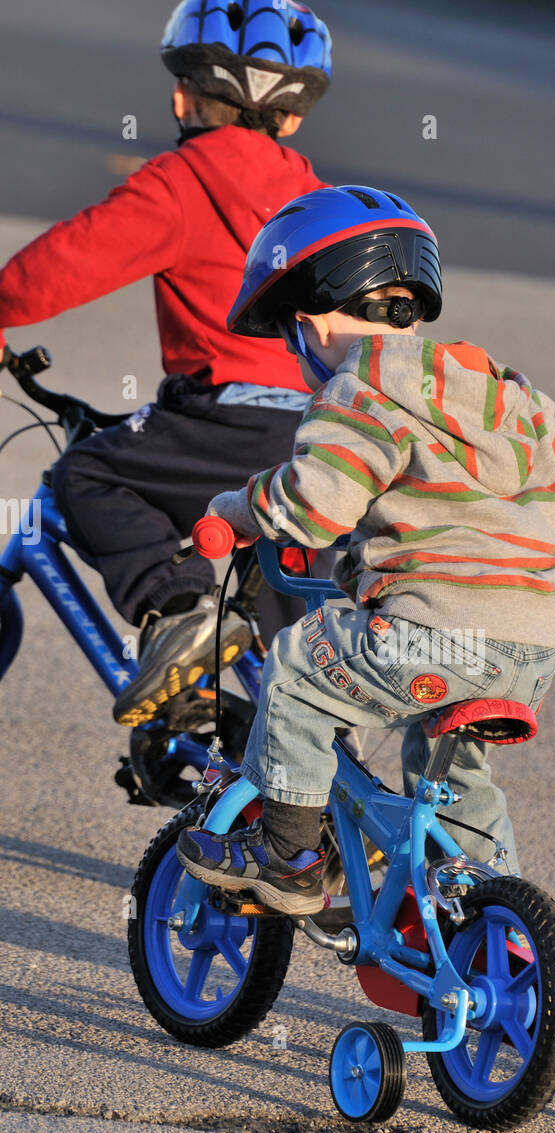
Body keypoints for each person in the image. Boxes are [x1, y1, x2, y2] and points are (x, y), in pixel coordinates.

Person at [178, 185, 555, 913]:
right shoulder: (508, 393)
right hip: (531, 649)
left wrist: (238, 513)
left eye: (286, 332)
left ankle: (287, 857)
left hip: (429, 633)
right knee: (452, 774)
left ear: (307, 322)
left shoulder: (361, 387)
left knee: (300, 666)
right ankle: (492, 921)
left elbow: (315, 504)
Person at [0, 0, 332, 727]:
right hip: (324, 434)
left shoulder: (186, 179)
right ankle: (309, 788)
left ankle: (177, 607)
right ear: (295, 118)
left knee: (90, 474)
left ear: (186, 95)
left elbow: (61, 267)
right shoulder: (317, 198)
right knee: (290, 621)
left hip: (228, 415)